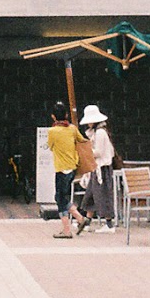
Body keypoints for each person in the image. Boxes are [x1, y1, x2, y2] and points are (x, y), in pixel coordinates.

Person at [43, 101, 91, 239]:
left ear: (53, 117)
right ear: (66, 115)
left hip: (61, 168)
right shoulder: (72, 128)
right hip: (72, 167)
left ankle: (69, 228)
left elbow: (51, 146)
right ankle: (79, 219)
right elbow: (82, 141)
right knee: (61, 197)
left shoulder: (52, 131)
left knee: (60, 198)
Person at [76, 105, 118, 232]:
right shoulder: (99, 131)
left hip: (102, 168)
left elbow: (98, 152)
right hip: (98, 167)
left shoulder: (100, 133)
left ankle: (109, 224)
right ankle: (87, 222)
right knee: (91, 194)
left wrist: (84, 151)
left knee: (103, 194)